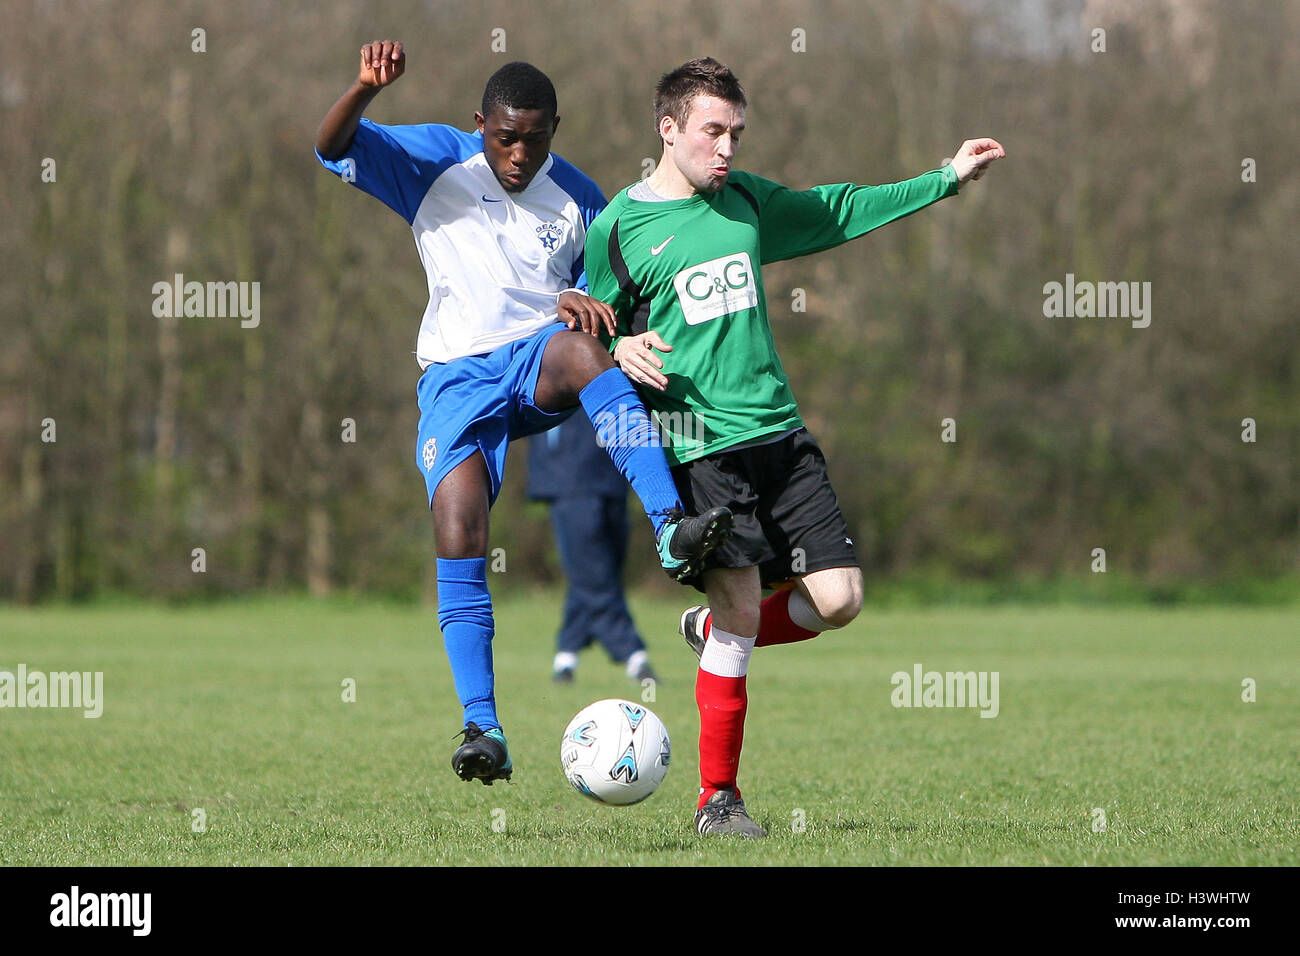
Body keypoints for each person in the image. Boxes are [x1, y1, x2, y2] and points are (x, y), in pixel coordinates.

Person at [584, 57, 1004, 836]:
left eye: (736, 132)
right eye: (713, 131)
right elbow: (581, 335)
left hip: (779, 432)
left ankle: (710, 635)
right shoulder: (618, 228)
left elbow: (836, 210)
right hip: (697, 442)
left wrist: (943, 178)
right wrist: (613, 353)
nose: (727, 148)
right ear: (667, 130)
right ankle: (719, 802)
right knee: (744, 604)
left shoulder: (745, 202)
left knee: (839, 600)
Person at [314, 42, 732, 787]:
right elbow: (331, 145)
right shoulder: (439, 161)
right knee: (457, 524)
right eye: (505, 137)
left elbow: (613, 300)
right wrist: (363, 89)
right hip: (455, 379)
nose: (518, 153)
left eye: (535, 139)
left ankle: (670, 527)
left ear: (554, 130)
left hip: (535, 360)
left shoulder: (579, 200)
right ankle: (483, 727)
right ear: (481, 125)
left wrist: (584, 305)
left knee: (580, 354)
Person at [527, 415, 657, 684]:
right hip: (570, 480)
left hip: (613, 478)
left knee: (597, 572)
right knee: (593, 574)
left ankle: (566, 656)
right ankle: (633, 654)